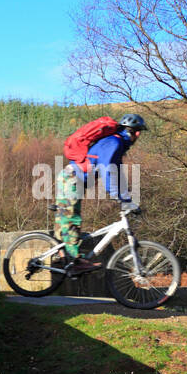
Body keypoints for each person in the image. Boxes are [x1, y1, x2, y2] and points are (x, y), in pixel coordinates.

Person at [56, 114, 147, 277]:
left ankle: (64, 258)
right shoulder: (113, 142)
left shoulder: (118, 145)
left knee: (69, 221)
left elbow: (118, 174)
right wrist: (117, 196)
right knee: (72, 220)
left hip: (75, 181)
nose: (138, 135)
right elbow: (107, 170)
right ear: (128, 131)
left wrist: (127, 199)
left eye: (139, 131)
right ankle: (73, 261)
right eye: (136, 131)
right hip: (71, 180)